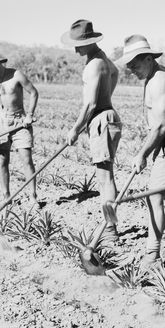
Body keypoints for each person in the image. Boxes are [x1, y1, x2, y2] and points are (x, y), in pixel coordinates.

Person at [115, 35, 165, 271]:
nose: (131, 71)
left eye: (135, 65)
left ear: (148, 59)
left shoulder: (159, 81)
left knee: (155, 197)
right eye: (129, 67)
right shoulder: (155, 75)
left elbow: (161, 125)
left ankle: (152, 256)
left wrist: (142, 154)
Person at [61, 19, 122, 238]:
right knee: (105, 178)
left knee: (105, 180)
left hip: (101, 120)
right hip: (107, 117)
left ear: (90, 41)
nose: (75, 49)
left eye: (78, 44)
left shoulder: (95, 63)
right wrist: (108, 96)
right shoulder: (101, 58)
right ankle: (110, 225)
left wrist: (75, 129)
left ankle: (111, 228)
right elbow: (115, 73)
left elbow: (90, 104)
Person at [0, 51, 40, 210]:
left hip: (20, 122)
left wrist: (30, 115)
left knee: (26, 160)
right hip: (1, 124)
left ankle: (33, 197)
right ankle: (6, 197)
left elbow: (34, 93)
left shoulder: (16, 75)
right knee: (2, 160)